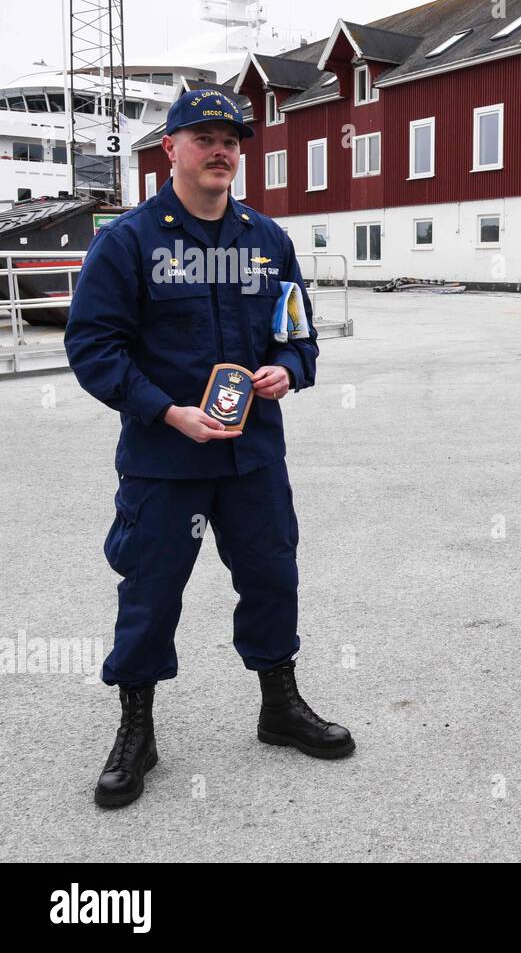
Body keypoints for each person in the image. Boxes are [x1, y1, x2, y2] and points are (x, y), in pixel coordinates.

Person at [65, 89, 354, 810]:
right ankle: (138, 729)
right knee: (151, 592)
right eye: (204, 136)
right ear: (171, 149)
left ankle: (278, 706)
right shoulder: (128, 241)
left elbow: (299, 333)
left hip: (252, 456)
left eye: (230, 138)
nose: (220, 149)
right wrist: (166, 411)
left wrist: (289, 368)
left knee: (271, 578)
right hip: (166, 460)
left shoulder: (268, 241)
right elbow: (93, 346)